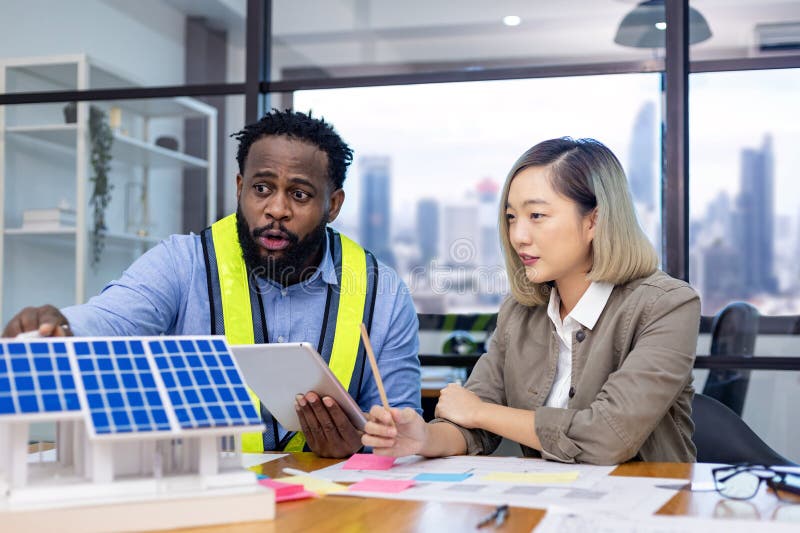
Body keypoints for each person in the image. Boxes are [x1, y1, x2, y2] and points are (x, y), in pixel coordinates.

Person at [2, 109, 421, 458]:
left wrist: (364, 447)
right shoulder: (182, 261)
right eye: (261, 188)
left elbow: (406, 434)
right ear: (240, 189)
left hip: (335, 507)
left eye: (299, 195)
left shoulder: (382, 292)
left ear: (333, 205)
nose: (276, 209)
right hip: (203, 497)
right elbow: (109, 321)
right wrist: (61, 328)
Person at [363, 137, 700, 465]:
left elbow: (608, 436)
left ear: (593, 221)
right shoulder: (519, 311)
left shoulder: (668, 306)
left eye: (536, 215)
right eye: (511, 217)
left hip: (643, 511)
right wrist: (424, 438)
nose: (518, 236)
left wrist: (481, 413)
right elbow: (468, 421)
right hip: (548, 510)